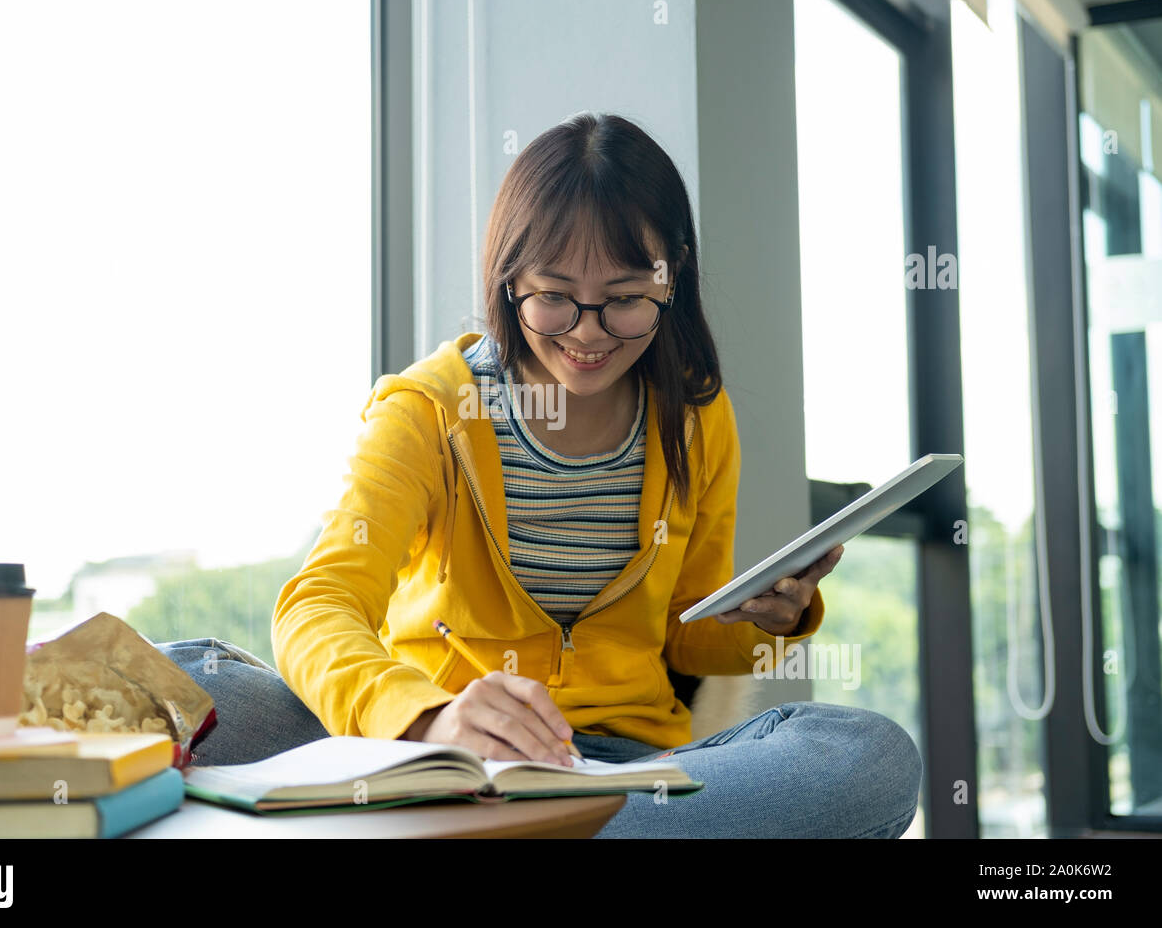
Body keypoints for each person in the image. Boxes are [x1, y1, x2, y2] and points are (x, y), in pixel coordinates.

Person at [158, 112, 922, 838]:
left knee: (868, 755)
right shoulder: (430, 411)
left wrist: (775, 621)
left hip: (629, 767)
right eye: (554, 299)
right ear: (507, 277)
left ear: (671, 277)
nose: (587, 336)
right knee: (189, 683)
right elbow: (318, 605)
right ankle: (523, 821)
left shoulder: (692, 414)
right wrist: (430, 722)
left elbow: (688, 642)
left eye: (624, 301)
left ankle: (513, 826)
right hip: (436, 757)